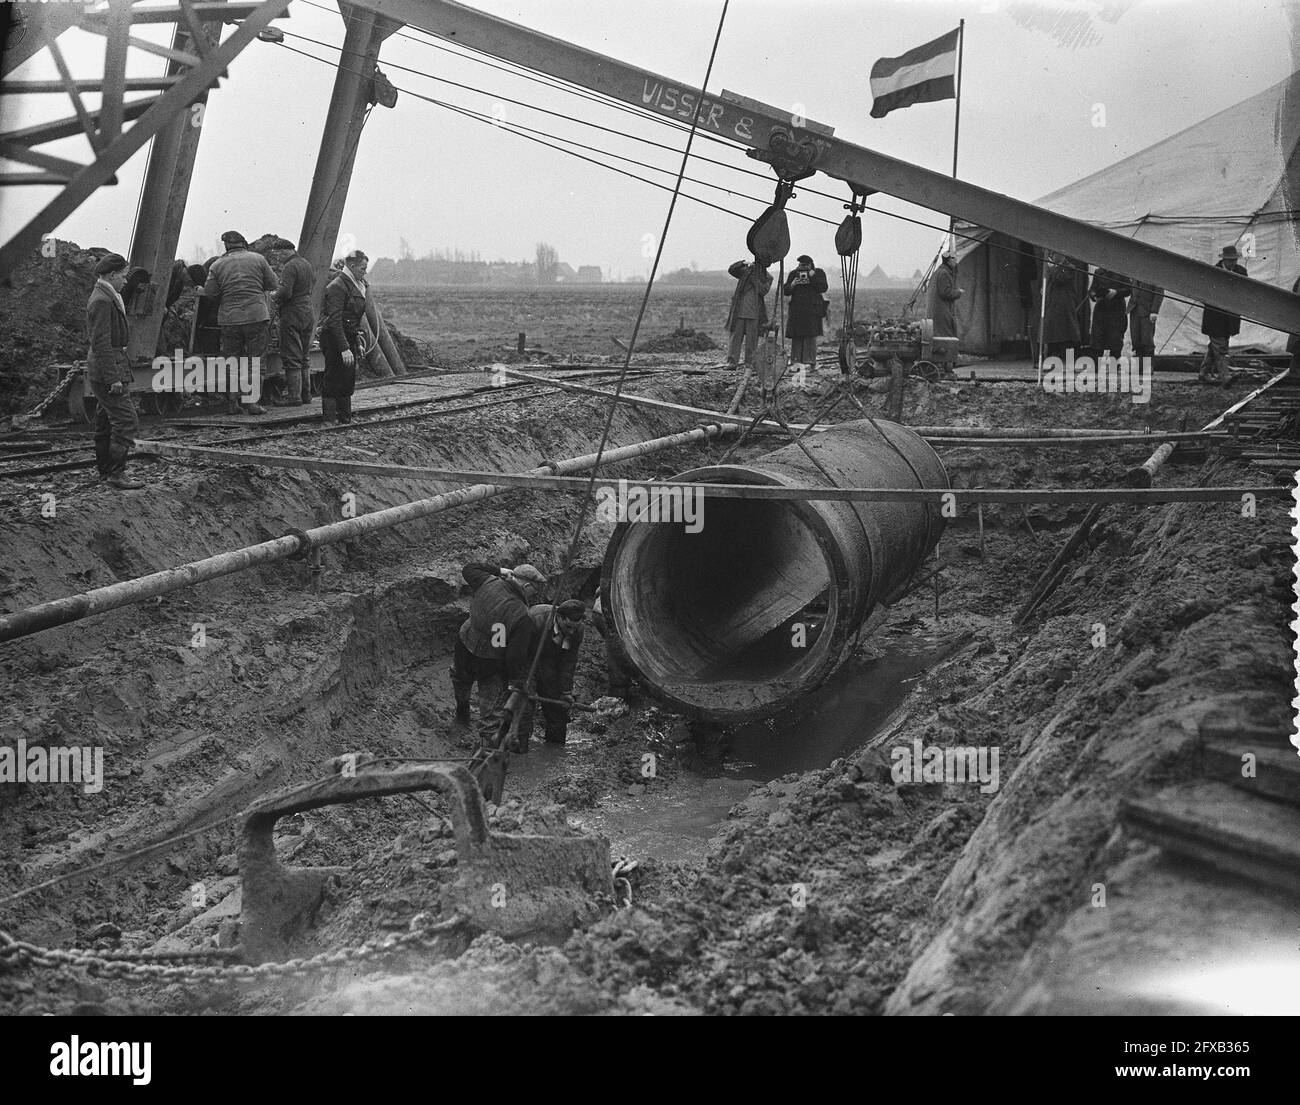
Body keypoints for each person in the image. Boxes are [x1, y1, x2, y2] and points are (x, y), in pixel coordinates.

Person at [450, 561, 546, 752]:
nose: (533, 596)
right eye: (534, 591)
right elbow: (515, 656)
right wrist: (516, 681)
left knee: (461, 678)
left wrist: (500, 570)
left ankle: (462, 712)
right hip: (490, 660)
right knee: (490, 706)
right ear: (526, 586)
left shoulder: (489, 581)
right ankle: (486, 752)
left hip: (466, 640)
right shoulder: (521, 615)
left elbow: (469, 568)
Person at [86, 253, 145, 490]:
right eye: (123, 276)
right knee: (126, 420)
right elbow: (100, 342)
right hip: (108, 367)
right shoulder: (102, 300)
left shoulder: (108, 295)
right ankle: (116, 474)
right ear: (111, 275)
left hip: (110, 363)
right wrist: (113, 378)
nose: (126, 281)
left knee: (106, 420)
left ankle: (105, 471)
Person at [200, 230, 275, 414]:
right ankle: (252, 403)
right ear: (243, 243)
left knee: (232, 361)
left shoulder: (217, 265)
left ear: (226, 246)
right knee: (255, 361)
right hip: (256, 315)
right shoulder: (258, 259)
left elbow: (210, 293)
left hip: (230, 319)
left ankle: (232, 403)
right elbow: (273, 284)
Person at [516, 599, 587, 749]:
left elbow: (569, 661)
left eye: (575, 628)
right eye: (568, 627)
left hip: (551, 664)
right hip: (527, 660)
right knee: (525, 708)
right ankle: (520, 751)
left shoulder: (578, 630)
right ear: (559, 617)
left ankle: (555, 752)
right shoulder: (535, 618)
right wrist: (519, 680)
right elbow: (518, 650)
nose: (571, 632)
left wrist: (565, 691)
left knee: (558, 710)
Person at [319, 249, 368, 424]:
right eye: (362, 268)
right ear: (352, 266)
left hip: (348, 336)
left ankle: (345, 419)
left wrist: (357, 342)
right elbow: (334, 321)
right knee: (333, 377)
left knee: (347, 379)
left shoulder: (357, 286)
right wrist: (344, 348)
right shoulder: (337, 287)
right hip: (334, 338)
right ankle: (330, 420)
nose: (365, 272)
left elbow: (354, 319)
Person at [273, 242, 316, 407]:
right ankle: (306, 395)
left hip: (292, 313)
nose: (277, 257)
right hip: (307, 310)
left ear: (286, 251)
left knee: (292, 356)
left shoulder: (290, 266)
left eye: (279, 253)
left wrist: (275, 296)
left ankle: (294, 397)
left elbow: (286, 292)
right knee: (304, 356)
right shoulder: (305, 263)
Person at [1199, 245, 1248, 387]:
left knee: (1215, 346)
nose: (1233, 263)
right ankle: (1225, 376)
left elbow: (1245, 292)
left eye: (1234, 260)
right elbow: (1204, 294)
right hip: (1215, 317)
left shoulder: (1241, 272)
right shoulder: (1213, 273)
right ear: (1224, 259)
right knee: (1221, 348)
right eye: (1230, 260)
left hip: (1230, 318)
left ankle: (1204, 373)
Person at [725, 258, 772, 369]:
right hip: (739, 311)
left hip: (755, 313)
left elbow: (763, 290)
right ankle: (732, 362)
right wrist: (743, 263)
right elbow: (732, 270)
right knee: (735, 338)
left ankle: (750, 364)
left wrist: (754, 280)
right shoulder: (745, 272)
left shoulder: (768, 277)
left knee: (752, 340)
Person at [783, 254, 829, 365]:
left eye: (805, 265)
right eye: (801, 265)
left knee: (810, 337)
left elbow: (823, 288)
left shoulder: (818, 273)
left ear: (810, 265)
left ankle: (810, 361)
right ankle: (796, 361)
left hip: (812, 311)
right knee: (797, 337)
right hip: (797, 310)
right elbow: (786, 291)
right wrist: (793, 284)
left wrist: (813, 277)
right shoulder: (794, 274)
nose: (802, 268)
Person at [1039, 252, 1081, 362]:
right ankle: (1052, 360)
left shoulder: (1070, 267)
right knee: (1052, 335)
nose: (1052, 256)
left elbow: (1060, 279)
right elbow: (1050, 282)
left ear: (1061, 255)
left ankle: (1069, 361)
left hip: (1064, 306)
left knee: (1066, 335)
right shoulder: (1051, 269)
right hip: (1052, 304)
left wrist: (1053, 268)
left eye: (1054, 254)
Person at [591, 594, 633, 698]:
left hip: (601, 610)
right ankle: (619, 691)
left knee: (616, 648)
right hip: (609, 614)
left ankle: (624, 680)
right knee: (617, 651)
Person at [1088, 267, 1130, 359]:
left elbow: (1128, 289)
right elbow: (1092, 289)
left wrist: (1116, 292)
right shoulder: (1098, 272)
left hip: (1116, 310)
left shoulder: (1122, 271)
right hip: (1101, 310)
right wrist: (1094, 296)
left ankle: (1114, 367)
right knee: (1097, 339)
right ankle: (1095, 366)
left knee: (1115, 340)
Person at [927, 250, 962, 339]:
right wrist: (958, 292)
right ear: (948, 261)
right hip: (942, 311)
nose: (955, 261)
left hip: (937, 310)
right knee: (945, 336)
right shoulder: (944, 273)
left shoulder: (938, 272)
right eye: (953, 259)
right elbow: (945, 293)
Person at [1127, 277, 1164, 360]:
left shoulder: (1154, 274)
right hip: (1134, 311)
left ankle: (1147, 369)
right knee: (1136, 340)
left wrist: (1154, 311)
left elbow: (1159, 293)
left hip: (1147, 312)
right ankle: (1139, 367)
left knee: (1147, 341)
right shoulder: (1135, 275)